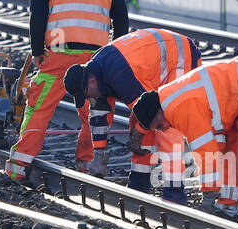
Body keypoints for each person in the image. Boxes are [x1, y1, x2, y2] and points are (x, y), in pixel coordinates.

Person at [5, 0, 130, 182]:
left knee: (39, 108)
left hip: (59, 54)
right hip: (96, 59)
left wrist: (37, 49)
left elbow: (37, 11)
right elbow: (121, 17)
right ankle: (86, 164)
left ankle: (19, 165)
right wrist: (115, 53)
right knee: (95, 112)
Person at [130, 59, 238, 228]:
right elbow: (216, 148)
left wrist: (209, 193)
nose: (164, 128)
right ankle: (226, 207)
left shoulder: (179, 107)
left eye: (159, 125)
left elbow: (205, 151)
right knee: (230, 154)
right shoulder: (169, 99)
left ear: (158, 112)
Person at [61, 28, 201, 200]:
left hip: (180, 56)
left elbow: (149, 112)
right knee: (138, 121)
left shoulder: (120, 75)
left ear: (91, 81)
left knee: (166, 125)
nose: (88, 97)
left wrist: (138, 134)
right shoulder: (96, 71)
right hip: (156, 62)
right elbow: (100, 116)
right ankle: (139, 183)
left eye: (86, 93)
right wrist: (99, 153)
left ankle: (174, 192)